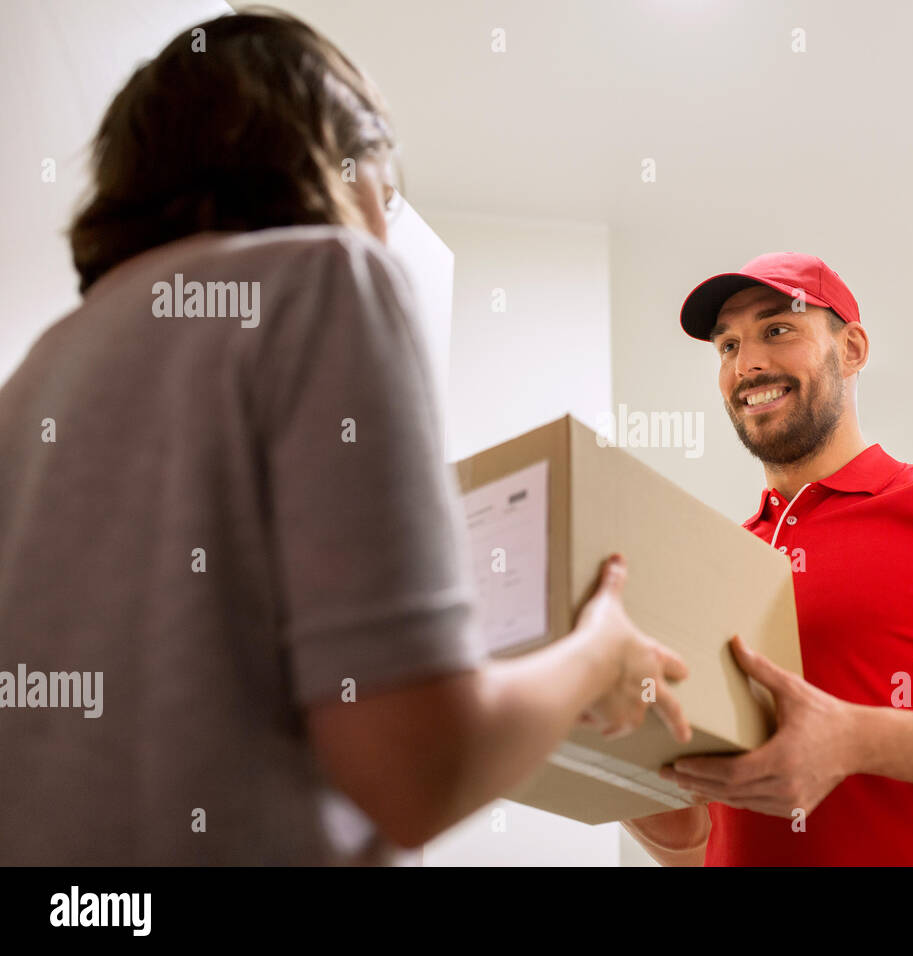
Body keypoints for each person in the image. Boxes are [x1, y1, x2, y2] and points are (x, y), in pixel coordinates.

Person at [0, 10, 688, 866]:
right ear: (338, 157)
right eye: (387, 193)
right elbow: (418, 770)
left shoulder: (37, 373)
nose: (384, 224)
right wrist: (597, 657)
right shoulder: (328, 279)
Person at [621, 252, 913, 866]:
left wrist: (857, 739)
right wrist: (593, 734)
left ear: (851, 349)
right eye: (727, 345)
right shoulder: (715, 561)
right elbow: (693, 841)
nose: (749, 363)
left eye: (777, 329)